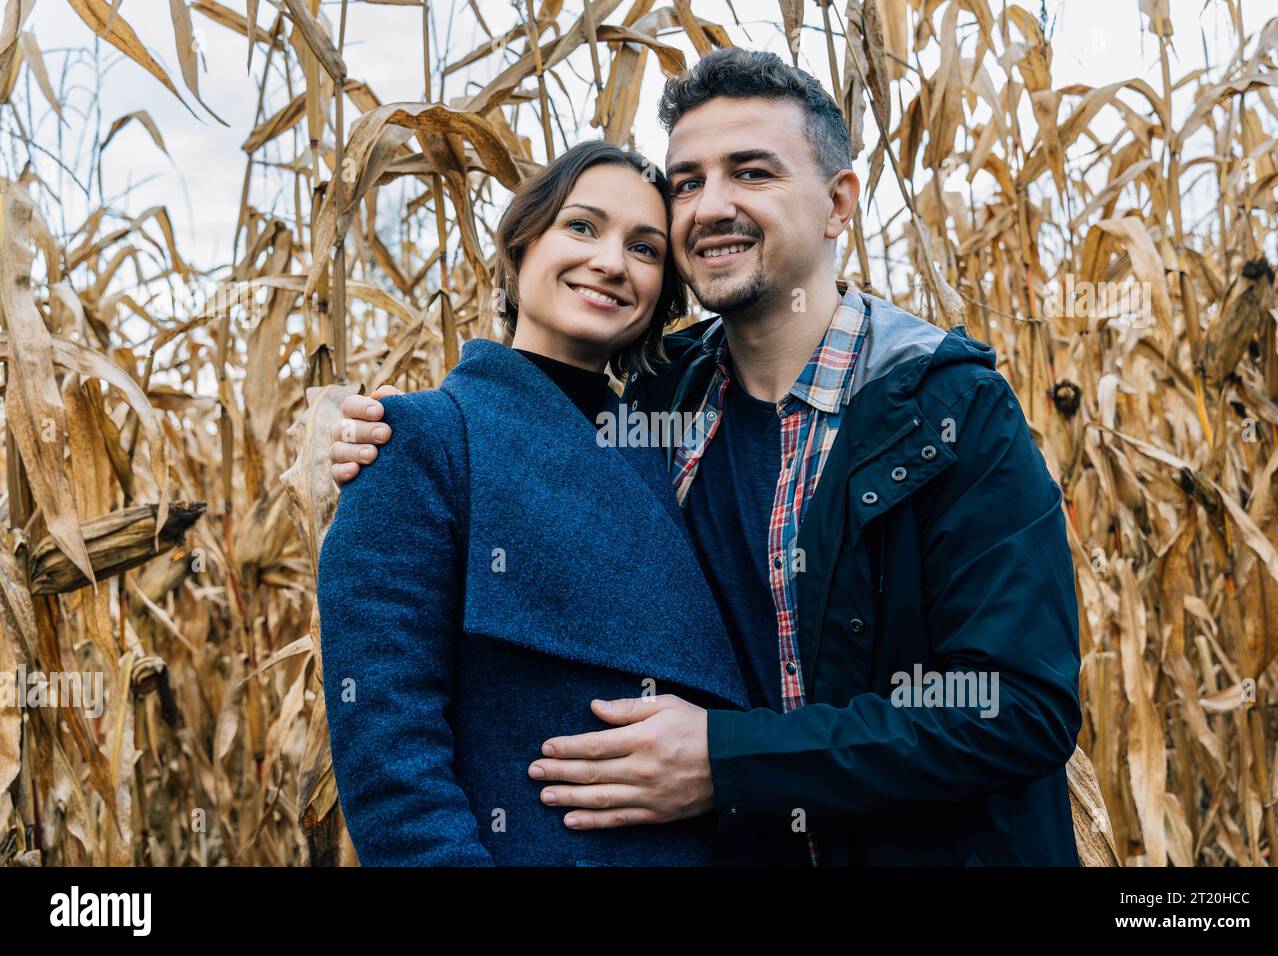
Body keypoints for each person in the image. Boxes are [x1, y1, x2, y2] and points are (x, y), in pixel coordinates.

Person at [330, 49, 1083, 866]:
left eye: (751, 172)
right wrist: (363, 440)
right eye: (687, 182)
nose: (710, 207)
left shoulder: (946, 409)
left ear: (839, 203)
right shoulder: (659, 412)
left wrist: (728, 762)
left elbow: (1019, 709)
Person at [316, 140, 759, 866]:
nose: (612, 263)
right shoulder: (420, 438)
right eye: (581, 227)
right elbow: (390, 747)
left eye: (645, 249)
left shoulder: (678, 449)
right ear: (521, 249)